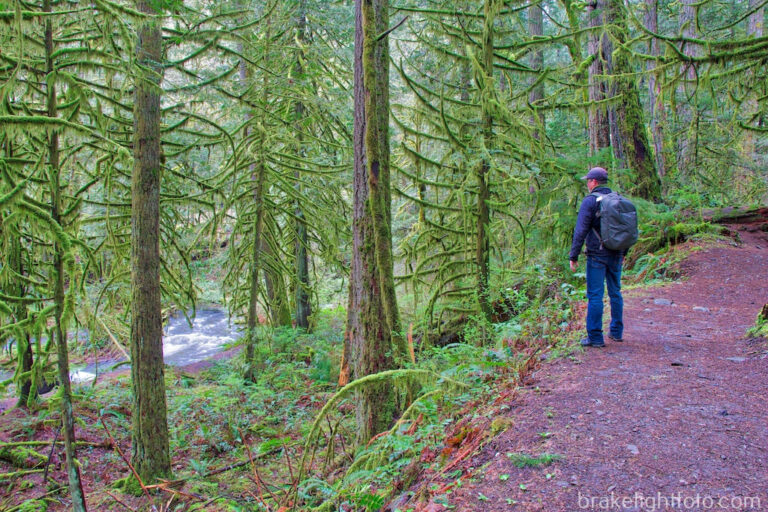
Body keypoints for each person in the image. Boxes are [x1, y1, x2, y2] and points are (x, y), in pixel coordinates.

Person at [569, 167, 625, 347]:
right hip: (616, 252)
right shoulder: (618, 199)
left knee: (595, 295)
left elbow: (581, 230)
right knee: (615, 292)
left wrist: (574, 255)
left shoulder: (590, 202)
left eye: (588, 180)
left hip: (597, 255)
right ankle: (616, 332)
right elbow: (628, 229)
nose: (587, 183)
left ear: (594, 182)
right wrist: (624, 252)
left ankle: (595, 337)